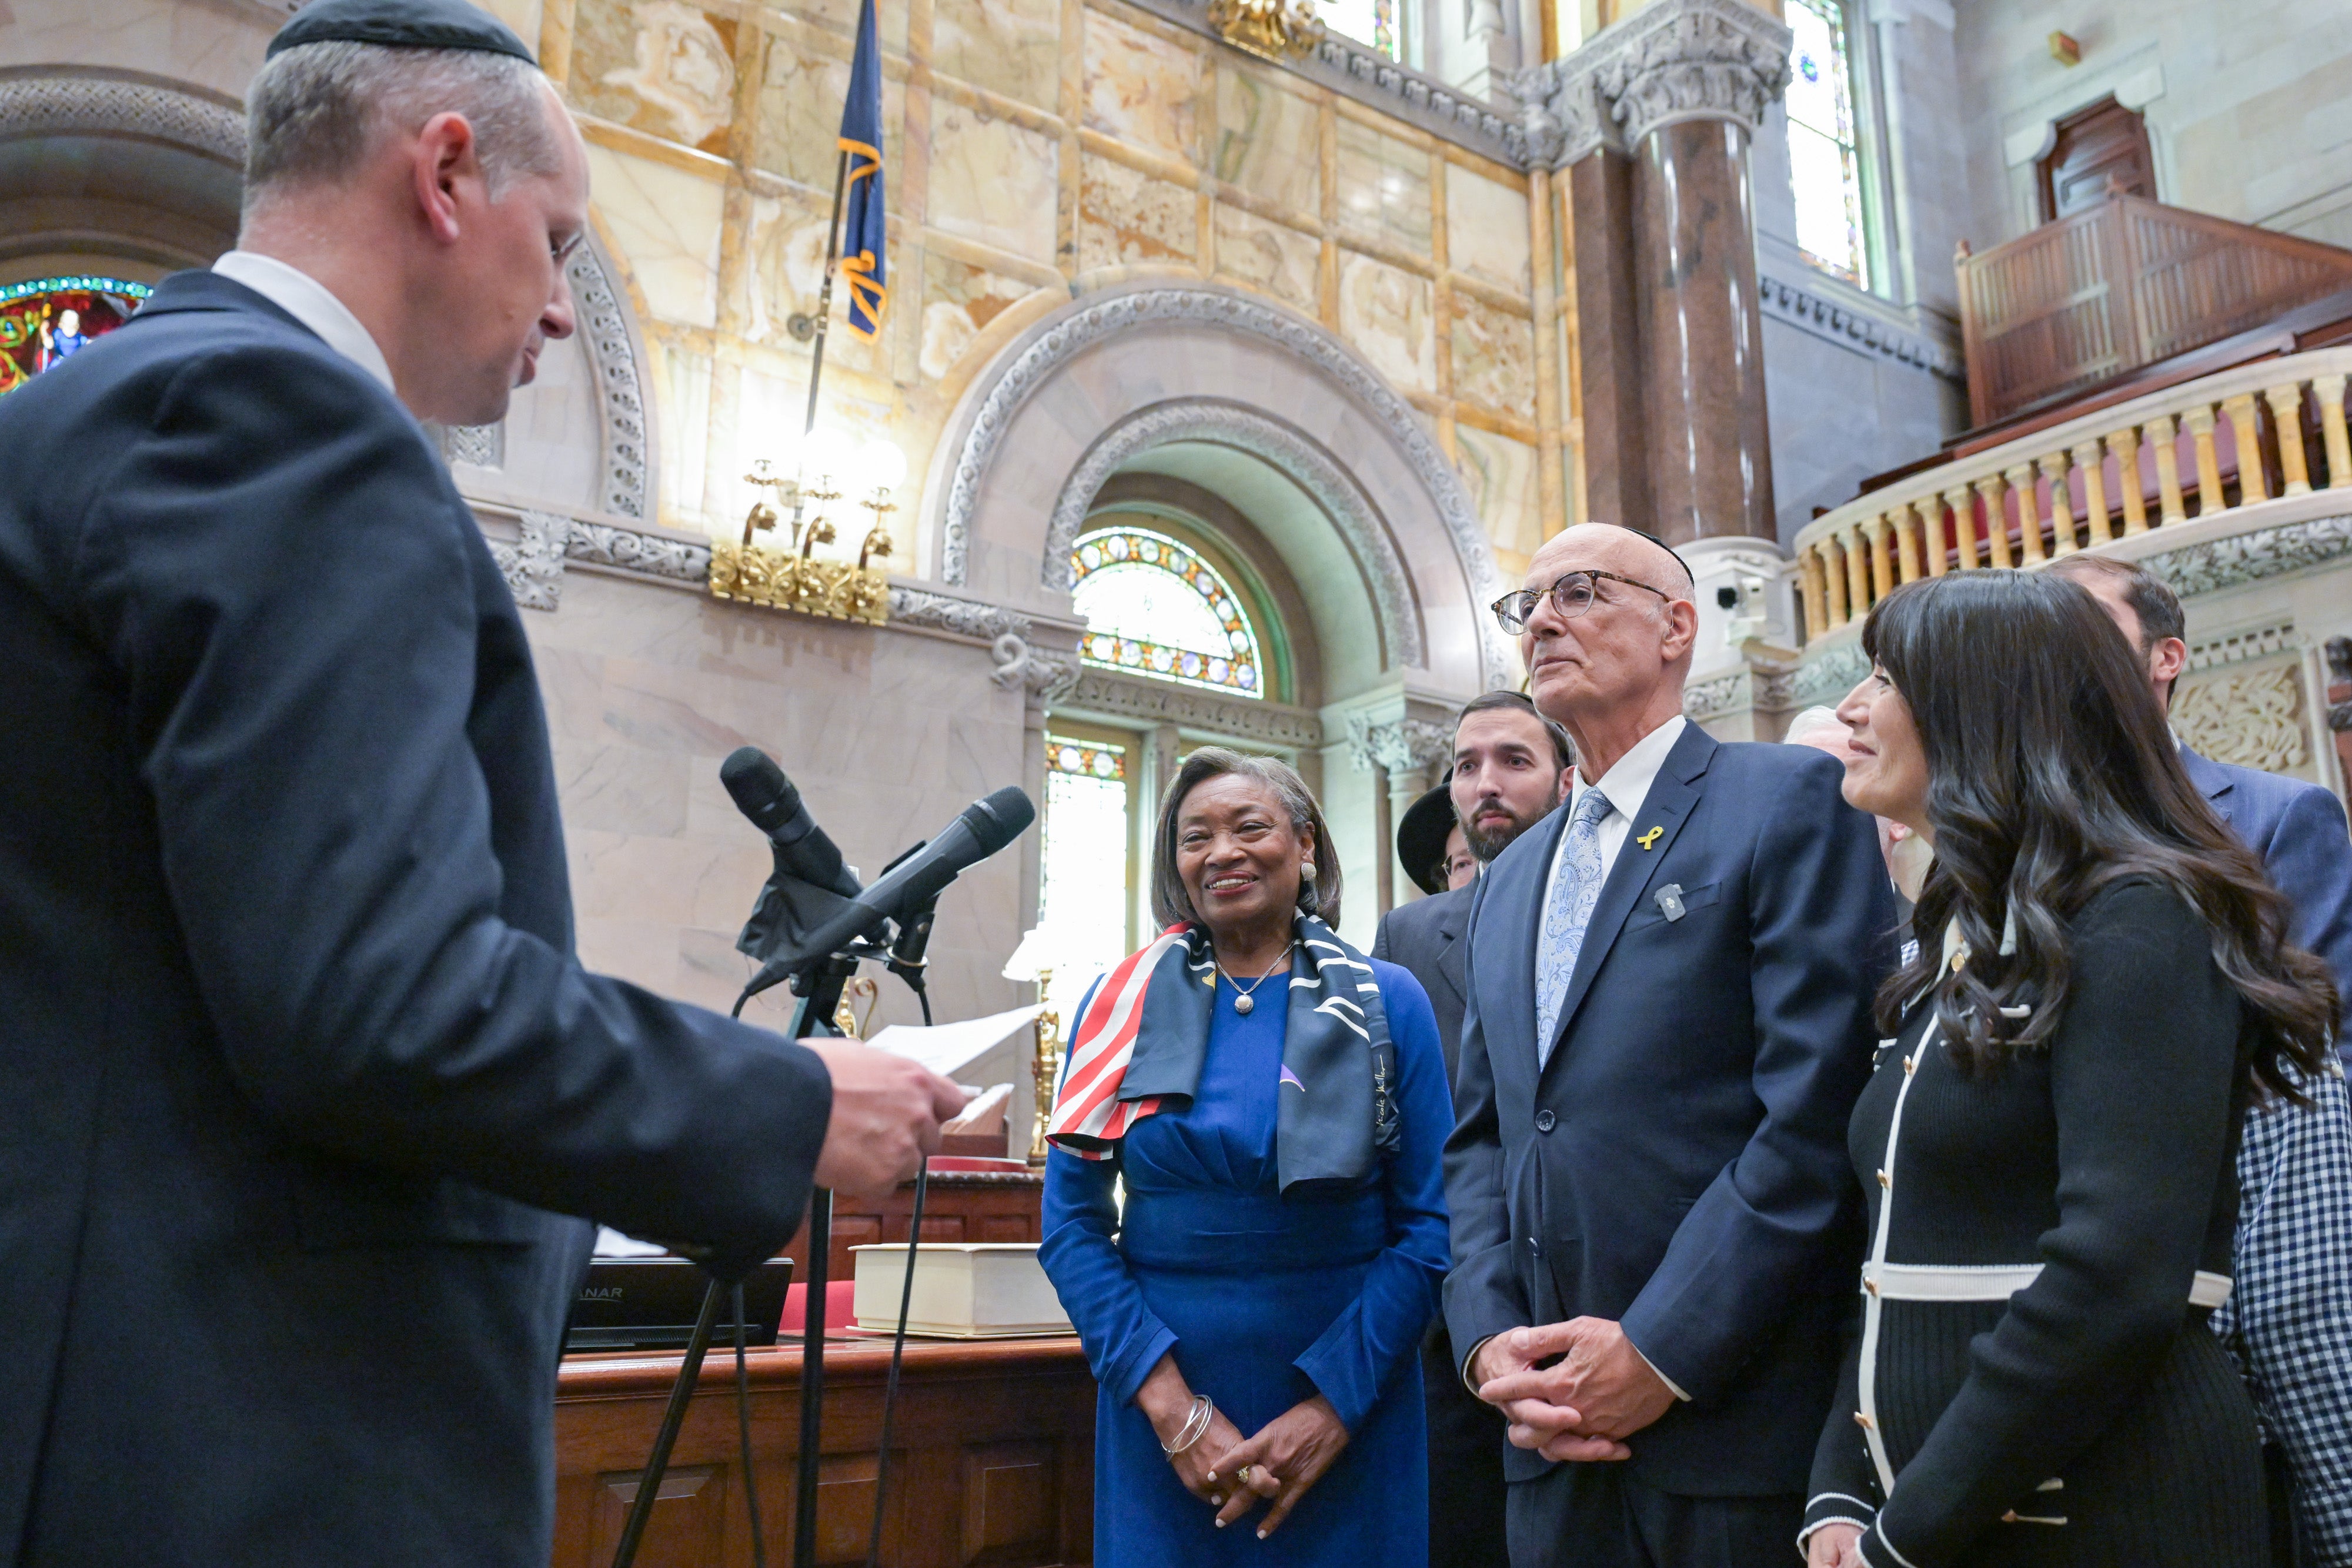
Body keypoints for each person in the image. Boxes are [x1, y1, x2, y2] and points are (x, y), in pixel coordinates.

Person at [0, 4, 964, 1561]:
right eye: (564, 238)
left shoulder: (80, 413)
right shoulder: (290, 422)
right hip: (243, 1434)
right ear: (445, 171)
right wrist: (781, 1100)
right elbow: (371, 996)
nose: (568, 311)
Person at [1806, 570, 2339, 1568]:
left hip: (2094, 1512)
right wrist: (1842, 1484)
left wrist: (1909, 1526)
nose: (1852, 708)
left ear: (1987, 703)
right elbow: (1884, 1251)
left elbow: (2116, 1279)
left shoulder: (2140, 917)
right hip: (1935, 1514)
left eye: (1885, 678)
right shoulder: (1960, 932)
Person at [1446, 523, 1896, 1568]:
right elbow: (1484, 1140)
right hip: (1547, 1438)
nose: (1543, 621)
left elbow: (1816, 1112)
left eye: (1583, 593)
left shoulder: (1782, 798)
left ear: (1678, 627)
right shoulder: (1510, 878)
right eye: (1528, 606)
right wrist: (1488, 1347)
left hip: (1726, 1427)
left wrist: (1660, 1350)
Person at [1039, 748, 1453, 1566]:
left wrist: (1335, 1405)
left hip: (1348, 1388)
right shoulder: (1118, 1005)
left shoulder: (1388, 1000)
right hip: (1162, 1393)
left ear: (1305, 845)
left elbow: (1434, 1220)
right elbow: (1072, 1227)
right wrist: (1172, 1411)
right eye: (1196, 838)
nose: (1221, 852)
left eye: (1249, 827)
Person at [2050, 552, 2352, 1567]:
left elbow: (2310, 1054)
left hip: (2264, 1244)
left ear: (2165, 656)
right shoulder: (2023, 841)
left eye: (2087, 625)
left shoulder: (2275, 814)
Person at [1374, 690, 1572, 1568]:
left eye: (1515, 761)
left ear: (1569, 781)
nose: (1485, 784)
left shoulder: (1615, 907)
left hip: (1588, 1287)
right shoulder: (1410, 935)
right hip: (1451, 1304)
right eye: (1466, 766)